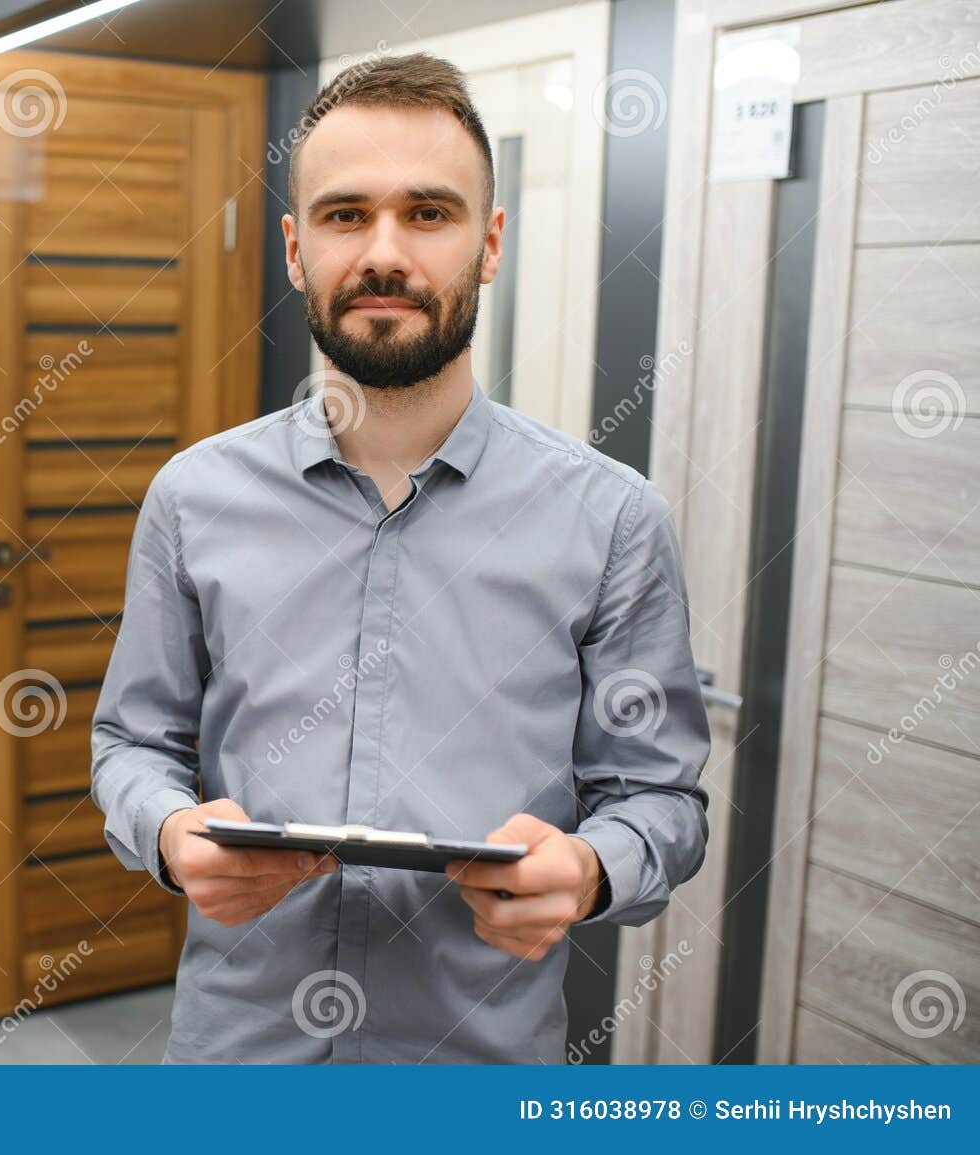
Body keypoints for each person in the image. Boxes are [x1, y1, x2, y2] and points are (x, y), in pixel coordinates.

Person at [90, 51, 710, 1064]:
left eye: (428, 214)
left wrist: (593, 869)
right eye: (344, 216)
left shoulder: (613, 520)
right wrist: (166, 833)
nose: (385, 253)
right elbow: (132, 744)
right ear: (294, 251)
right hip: (236, 1062)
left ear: (489, 243)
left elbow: (661, 797)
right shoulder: (191, 499)